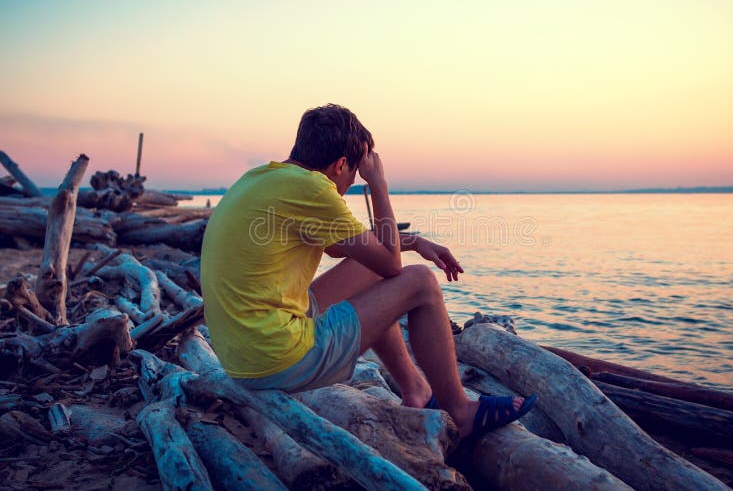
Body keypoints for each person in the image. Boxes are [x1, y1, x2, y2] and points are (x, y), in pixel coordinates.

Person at [200, 104, 535, 439]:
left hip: (243, 355)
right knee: (420, 281)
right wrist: (378, 184)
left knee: (372, 273)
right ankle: (461, 413)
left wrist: (415, 241)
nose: (350, 182)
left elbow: (347, 250)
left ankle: (416, 390)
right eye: (355, 171)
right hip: (278, 359)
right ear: (341, 164)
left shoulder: (264, 178)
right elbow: (391, 263)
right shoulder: (313, 189)